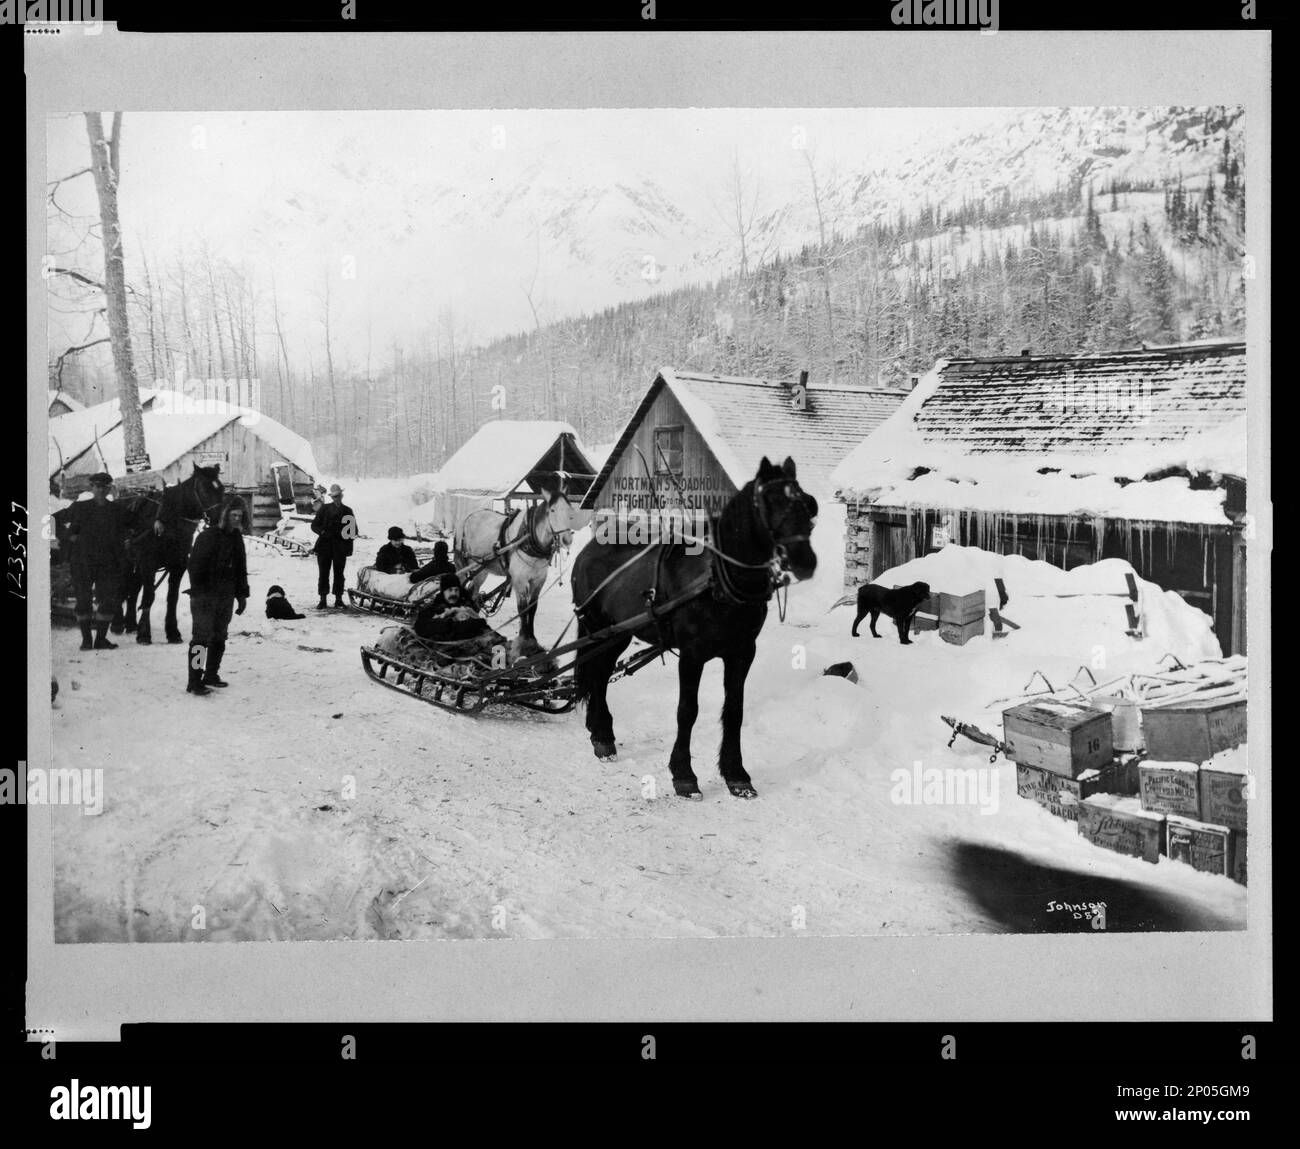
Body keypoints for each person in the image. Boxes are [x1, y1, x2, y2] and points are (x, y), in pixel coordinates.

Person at [185, 497, 249, 696]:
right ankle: (194, 681)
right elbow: (194, 567)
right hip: (204, 597)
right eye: (234, 515)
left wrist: (241, 595)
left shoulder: (236, 538)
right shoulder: (208, 536)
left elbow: (240, 569)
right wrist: (202, 591)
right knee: (200, 640)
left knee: (219, 638)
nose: (237, 519)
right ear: (225, 515)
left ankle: (211, 675)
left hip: (225, 596)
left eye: (240, 515)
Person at [66, 472, 127, 651]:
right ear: (91, 488)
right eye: (97, 486)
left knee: (108, 601)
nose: (101, 490)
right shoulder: (79, 507)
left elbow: (132, 525)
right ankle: (86, 640)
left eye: (104, 487)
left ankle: (100, 639)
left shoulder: (116, 509)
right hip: (83, 561)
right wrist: (65, 539)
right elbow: (52, 519)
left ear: (109, 489)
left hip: (108, 564)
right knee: (83, 600)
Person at [413, 573, 500, 647]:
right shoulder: (435, 607)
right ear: (443, 591)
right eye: (450, 590)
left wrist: (479, 623)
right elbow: (420, 626)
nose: (454, 594)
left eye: (456, 590)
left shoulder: (465, 606)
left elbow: (483, 628)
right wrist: (451, 625)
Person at [310, 483, 357, 609]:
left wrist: (347, 545)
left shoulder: (347, 511)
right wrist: (322, 532)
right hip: (324, 546)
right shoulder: (324, 509)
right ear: (332, 497)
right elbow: (314, 525)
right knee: (323, 573)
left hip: (340, 547)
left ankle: (338, 599)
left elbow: (353, 531)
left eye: (338, 496)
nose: (337, 499)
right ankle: (323, 599)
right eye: (334, 497)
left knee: (339, 574)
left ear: (342, 495)